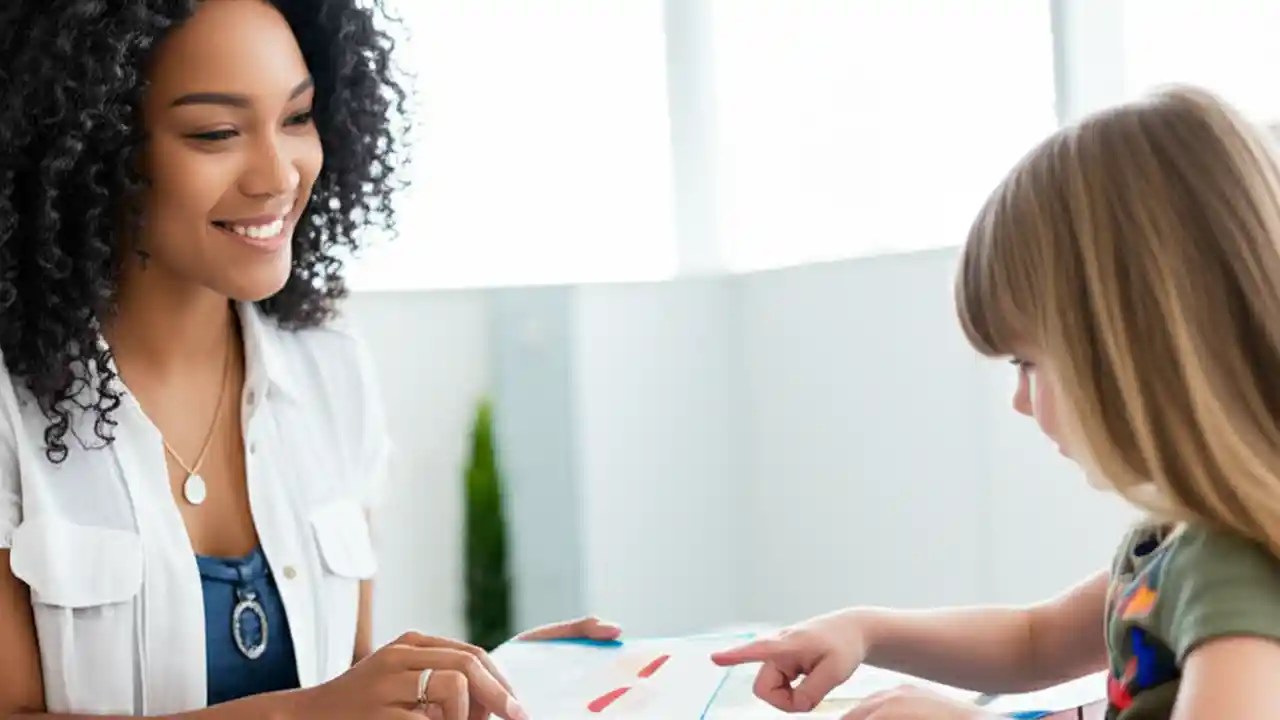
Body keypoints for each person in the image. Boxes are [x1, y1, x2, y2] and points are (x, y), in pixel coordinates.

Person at [0, 1, 619, 717]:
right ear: (89, 147)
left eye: (297, 118)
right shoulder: (14, 411)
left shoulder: (329, 369)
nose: (279, 174)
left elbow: (345, 683)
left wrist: (469, 687)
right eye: (216, 132)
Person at [712, 86, 1280, 720]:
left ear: (1134, 351)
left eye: (1028, 363)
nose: (1019, 399)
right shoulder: (1172, 539)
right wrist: (866, 631)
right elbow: (1034, 642)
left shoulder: (1235, 563)